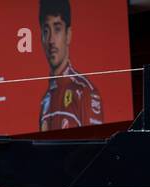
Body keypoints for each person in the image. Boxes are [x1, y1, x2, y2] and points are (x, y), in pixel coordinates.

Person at [39, 0, 103, 130]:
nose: (51, 40)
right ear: (41, 38)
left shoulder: (84, 91)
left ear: (68, 34)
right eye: (46, 31)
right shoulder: (45, 99)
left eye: (57, 29)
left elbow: (96, 145)